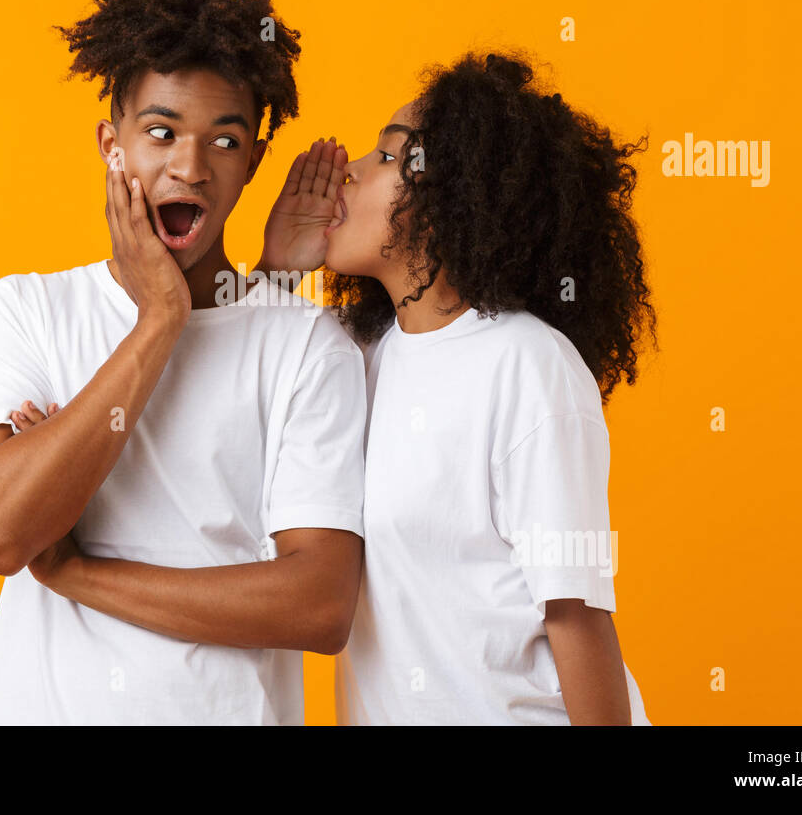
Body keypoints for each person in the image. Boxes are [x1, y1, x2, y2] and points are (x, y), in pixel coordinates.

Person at [0, 0, 367, 725]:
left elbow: (319, 604)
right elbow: (2, 532)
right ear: (112, 146)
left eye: (224, 140)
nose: (191, 167)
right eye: (162, 132)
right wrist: (161, 320)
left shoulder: (309, 345)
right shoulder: (29, 309)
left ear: (252, 163)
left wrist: (78, 573)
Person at [257, 50, 658, 724]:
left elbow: (577, 615)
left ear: (455, 198)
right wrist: (274, 264)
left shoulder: (528, 364)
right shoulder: (356, 356)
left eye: (387, 158)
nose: (349, 171)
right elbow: (239, 389)